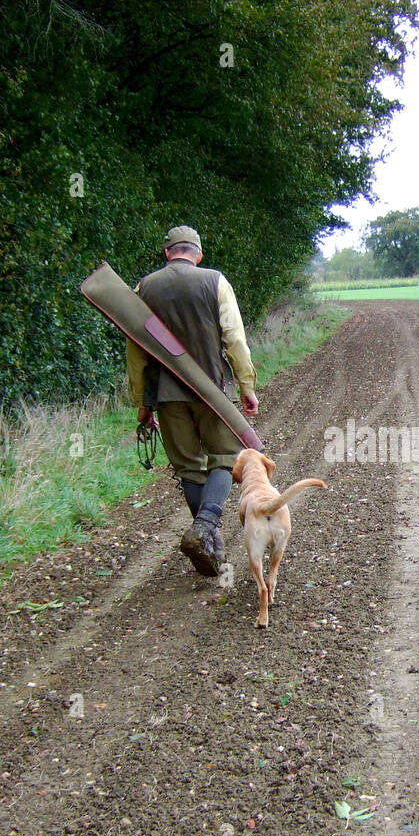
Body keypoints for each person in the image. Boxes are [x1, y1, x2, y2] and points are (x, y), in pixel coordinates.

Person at [127, 225, 259, 576]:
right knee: (225, 458)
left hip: (167, 396)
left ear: (167, 252)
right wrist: (246, 385)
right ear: (197, 254)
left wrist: (142, 402)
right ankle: (205, 528)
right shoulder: (214, 281)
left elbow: (136, 351)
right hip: (211, 390)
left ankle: (208, 545)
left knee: (188, 467)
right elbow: (234, 339)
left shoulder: (144, 287)